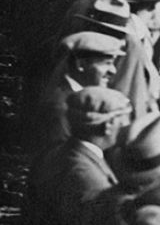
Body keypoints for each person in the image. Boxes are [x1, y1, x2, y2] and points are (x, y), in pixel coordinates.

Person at [26, 87, 132, 225]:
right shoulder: (89, 180)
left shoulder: (57, 153)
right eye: (124, 121)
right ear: (108, 125)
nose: (128, 126)